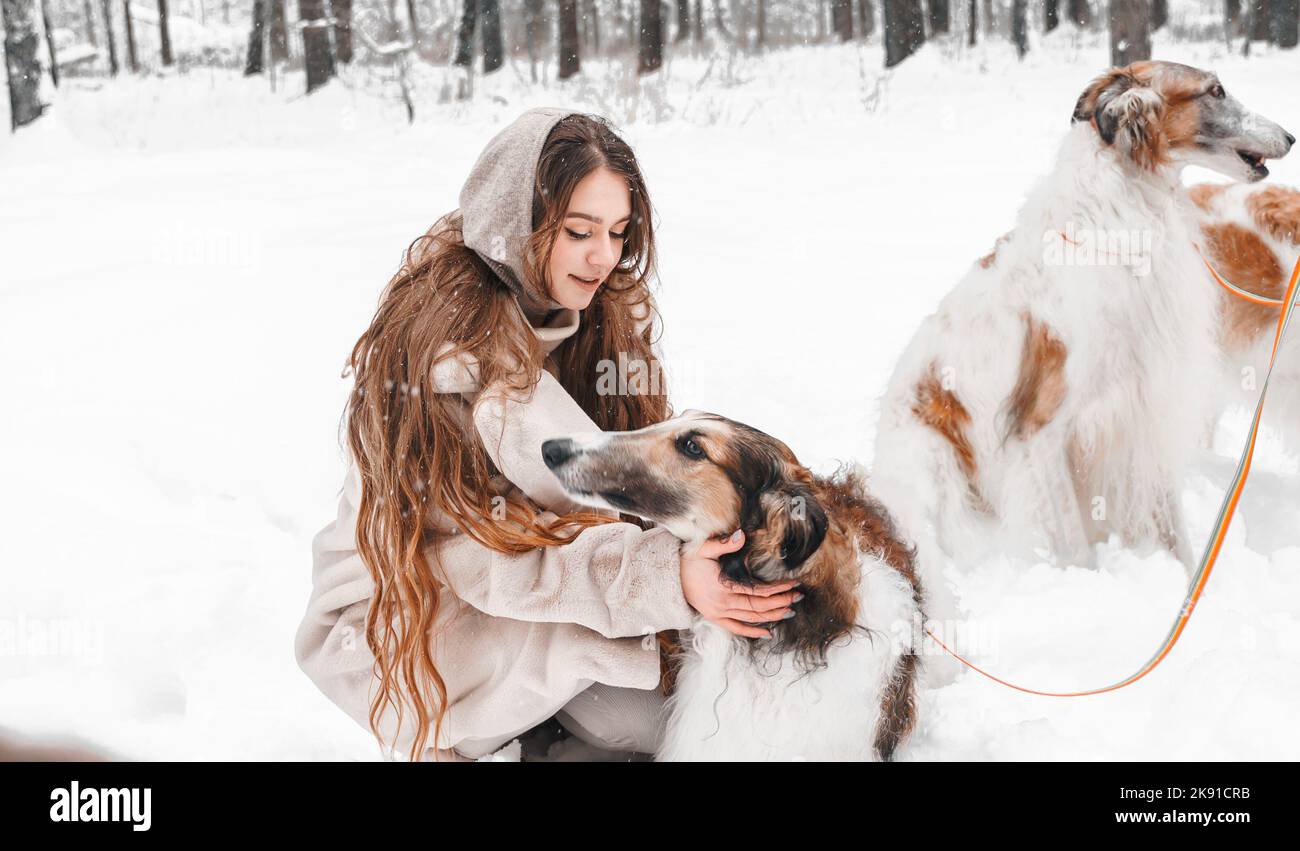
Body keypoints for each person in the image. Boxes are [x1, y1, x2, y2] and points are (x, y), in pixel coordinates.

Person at [294, 109, 802, 761]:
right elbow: (481, 560)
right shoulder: (449, 359)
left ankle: (548, 733)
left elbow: (632, 484)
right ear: (520, 224)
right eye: (578, 231)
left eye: (618, 232)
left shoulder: (590, 316)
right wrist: (663, 582)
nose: (603, 256)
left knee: (676, 690)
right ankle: (507, 731)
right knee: (650, 715)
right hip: (404, 613)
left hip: (529, 580)